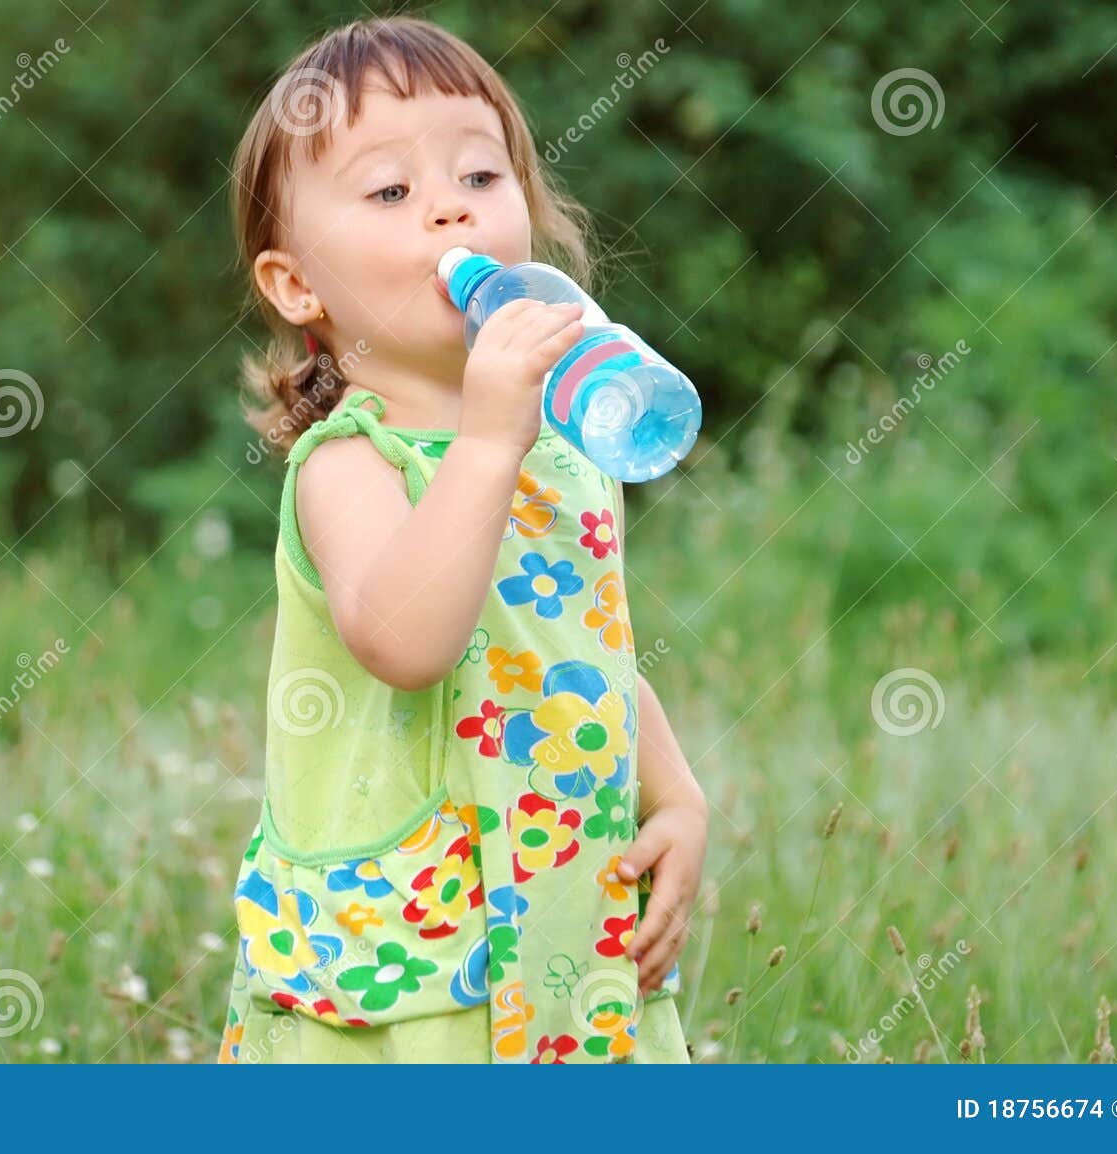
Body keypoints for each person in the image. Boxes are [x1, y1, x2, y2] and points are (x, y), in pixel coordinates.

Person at [217, 14, 708, 1064]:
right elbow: (406, 639)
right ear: (298, 285)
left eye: (481, 176)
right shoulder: (347, 464)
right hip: (416, 962)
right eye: (390, 192)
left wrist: (675, 791)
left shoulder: (562, 452)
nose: (450, 205)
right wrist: (488, 439)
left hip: (564, 923)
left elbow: (582, 646)